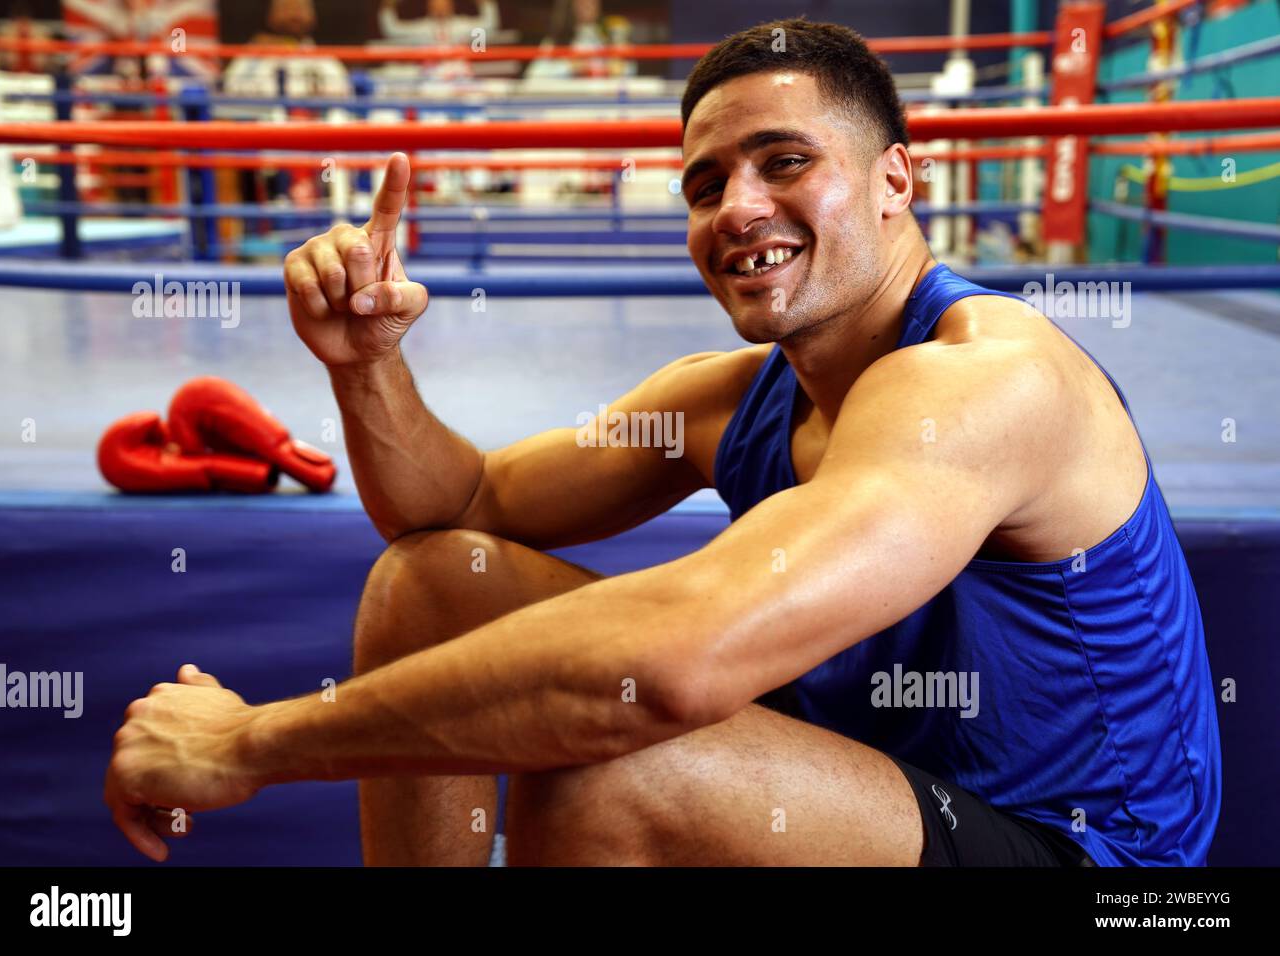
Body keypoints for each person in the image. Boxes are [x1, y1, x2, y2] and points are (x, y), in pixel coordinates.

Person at [105, 18, 1221, 867]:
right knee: (433, 581)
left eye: (784, 161)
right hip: (883, 787)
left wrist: (242, 745)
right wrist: (364, 363)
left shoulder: (987, 380)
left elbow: (668, 666)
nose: (736, 205)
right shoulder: (730, 400)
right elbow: (454, 506)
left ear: (895, 180)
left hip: (1089, 859)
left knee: (610, 768)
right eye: (705, 181)